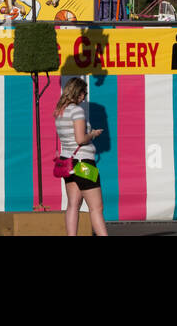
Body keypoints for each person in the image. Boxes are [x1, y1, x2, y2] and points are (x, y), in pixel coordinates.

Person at [54, 78, 108, 237]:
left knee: (72, 206)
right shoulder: (76, 111)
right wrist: (92, 134)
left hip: (67, 162)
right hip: (83, 163)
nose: (84, 96)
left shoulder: (60, 111)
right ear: (77, 92)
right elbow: (80, 139)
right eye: (84, 92)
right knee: (96, 208)